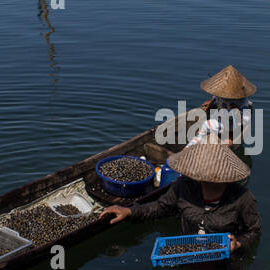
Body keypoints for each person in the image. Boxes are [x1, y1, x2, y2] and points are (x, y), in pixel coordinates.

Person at [100, 143, 260, 254]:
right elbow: (160, 207)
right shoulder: (184, 186)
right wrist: (129, 211)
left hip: (226, 258)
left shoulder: (242, 198)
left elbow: (253, 231)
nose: (212, 182)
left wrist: (238, 243)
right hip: (187, 251)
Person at [187, 65, 256, 149]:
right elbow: (216, 97)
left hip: (232, 124)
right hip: (221, 117)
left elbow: (246, 119)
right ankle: (213, 134)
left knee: (206, 124)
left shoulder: (242, 101)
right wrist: (211, 102)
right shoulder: (220, 93)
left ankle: (191, 146)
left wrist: (237, 112)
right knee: (212, 116)